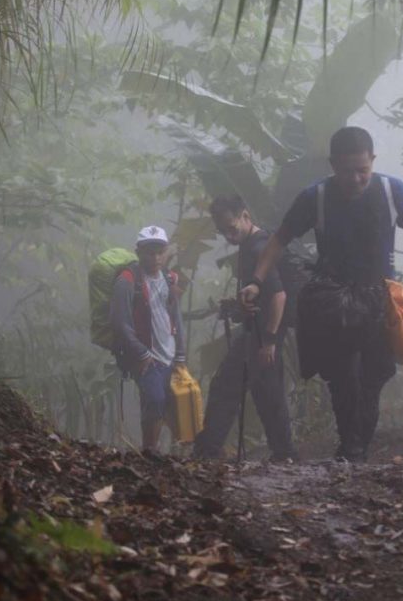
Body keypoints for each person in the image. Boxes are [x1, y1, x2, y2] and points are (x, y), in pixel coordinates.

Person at [239, 127, 403, 462]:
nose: (356, 178)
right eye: (348, 171)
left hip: (380, 297)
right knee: (342, 375)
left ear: (373, 161)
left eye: (363, 170)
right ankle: (352, 448)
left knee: (376, 373)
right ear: (333, 164)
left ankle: (356, 444)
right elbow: (279, 240)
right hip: (332, 299)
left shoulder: (393, 191)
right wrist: (256, 282)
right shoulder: (315, 197)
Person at [193, 195, 296, 462]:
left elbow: (278, 296)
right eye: (222, 230)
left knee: (226, 385)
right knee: (266, 392)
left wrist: (270, 341)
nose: (228, 235)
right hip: (261, 331)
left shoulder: (257, 247)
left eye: (232, 227)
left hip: (264, 334)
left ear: (246, 217)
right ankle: (284, 452)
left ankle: (208, 451)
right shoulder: (253, 243)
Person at [110, 224, 187, 453]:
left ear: (165, 252)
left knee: (171, 402)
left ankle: (167, 452)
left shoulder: (170, 279)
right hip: (144, 355)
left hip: (170, 354)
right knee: (154, 399)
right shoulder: (126, 281)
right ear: (138, 252)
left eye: (159, 252)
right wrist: (141, 353)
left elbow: (176, 317)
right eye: (149, 251)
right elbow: (120, 323)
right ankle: (150, 450)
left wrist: (181, 354)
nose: (155, 257)